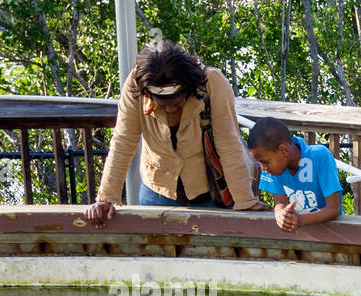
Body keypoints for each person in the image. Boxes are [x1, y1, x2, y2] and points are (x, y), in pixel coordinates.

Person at [85, 40, 265, 224]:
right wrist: (105, 199)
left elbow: (228, 143)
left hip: (211, 192)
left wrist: (245, 201)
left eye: (177, 104)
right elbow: (123, 141)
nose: (171, 110)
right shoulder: (136, 86)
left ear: (189, 89)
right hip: (156, 192)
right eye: (163, 106)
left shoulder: (212, 83)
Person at [248, 118, 342, 232]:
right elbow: (280, 202)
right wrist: (280, 214)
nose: (263, 168)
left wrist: (300, 220)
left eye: (265, 162)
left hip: (333, 233)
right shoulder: (276, 169)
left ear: (283, 150)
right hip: (300, 237)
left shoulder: (320, 156)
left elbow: (333, 209)